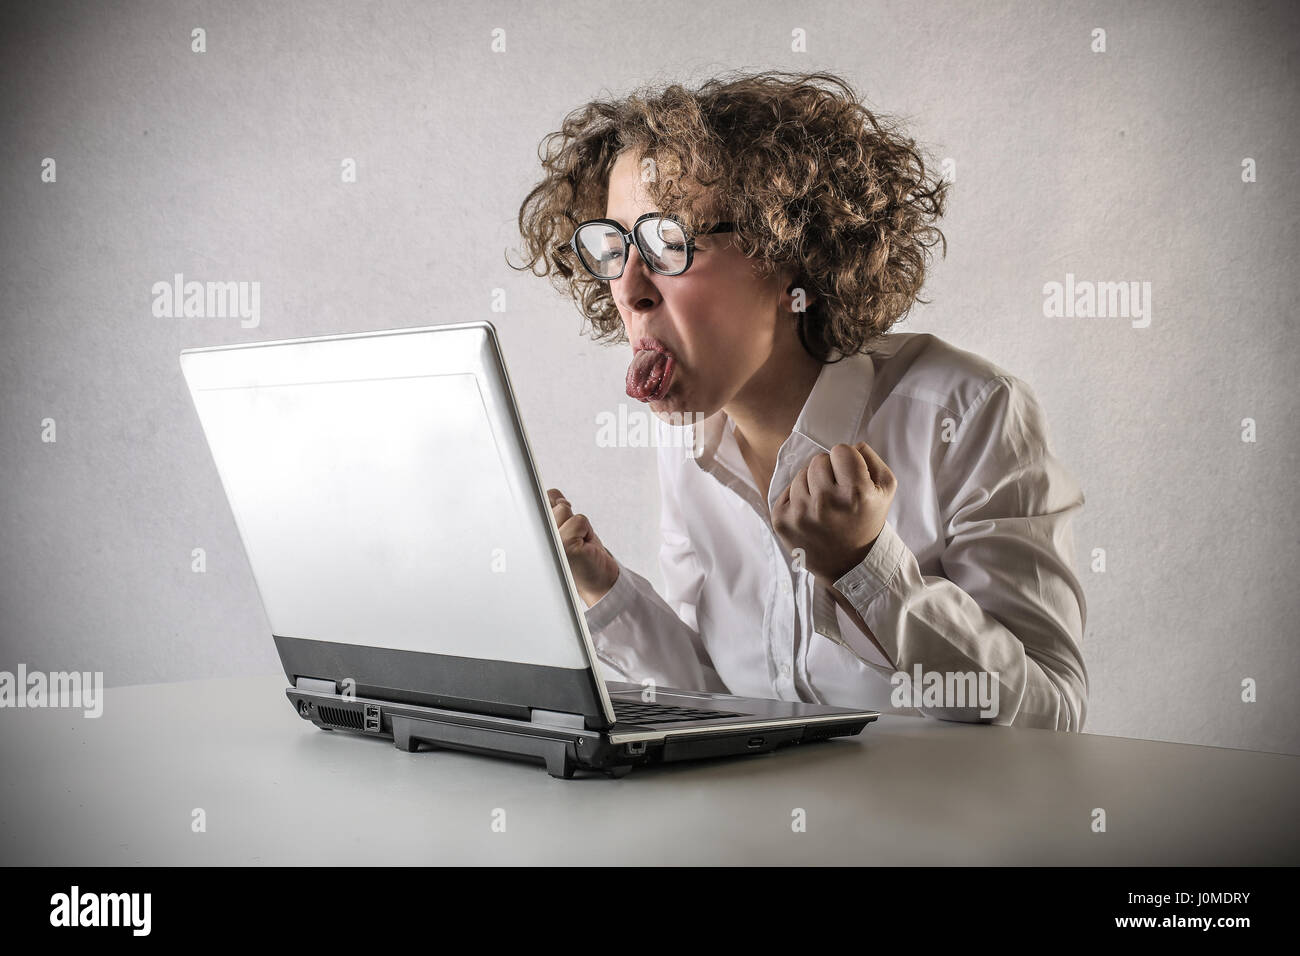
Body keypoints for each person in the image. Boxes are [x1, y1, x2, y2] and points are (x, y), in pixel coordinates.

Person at [509, 70, 1088, 730]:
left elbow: (1052, 722)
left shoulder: (971, 412)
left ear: (789, 254)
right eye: (613, 246)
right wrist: (598, 581)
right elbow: (717, 703)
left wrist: (865, 568)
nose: (630, 288)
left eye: (668, 243)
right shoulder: (691, 440)